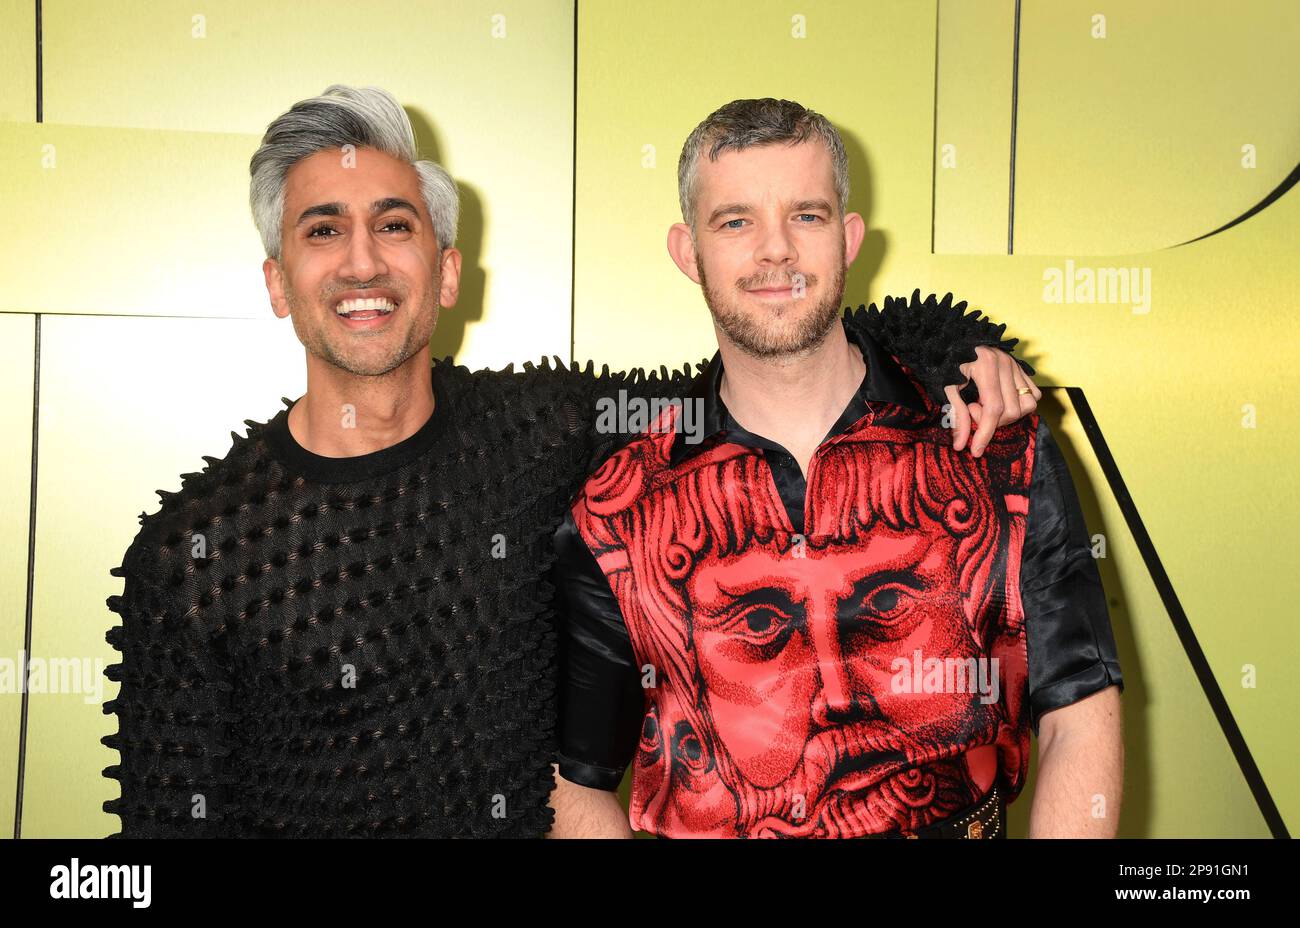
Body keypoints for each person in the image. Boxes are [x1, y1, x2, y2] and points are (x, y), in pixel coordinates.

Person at [102, 86, 1038, 837]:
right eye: (321, 230)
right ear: (277, 282)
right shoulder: (195, 551)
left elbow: (767, 356)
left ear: (447, 270)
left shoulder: (544, 431)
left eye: (394, 225)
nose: (362, 263)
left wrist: (961, 349)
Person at [549, 98, 1124, 839]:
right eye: (736, 221)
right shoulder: (616, 508)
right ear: (688, 252)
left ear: (849, 239)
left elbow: (1080, 714)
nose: (776, 250)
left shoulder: (995, 446)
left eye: (807, 216)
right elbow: (577, 780)